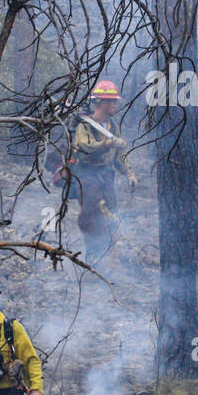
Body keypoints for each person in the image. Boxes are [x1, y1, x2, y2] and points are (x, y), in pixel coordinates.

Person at [72, 78, 136, 261]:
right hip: (86, 175)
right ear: (103, 102)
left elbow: (119, 155)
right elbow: (85, 147)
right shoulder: (85, 125)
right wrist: (108, 143)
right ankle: (92, 256)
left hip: (106, 176)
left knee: (111, 214)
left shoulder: (112, 126)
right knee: (91, 215)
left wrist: (129, 173)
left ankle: (106, 255)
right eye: (113, 101)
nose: (115, 104)